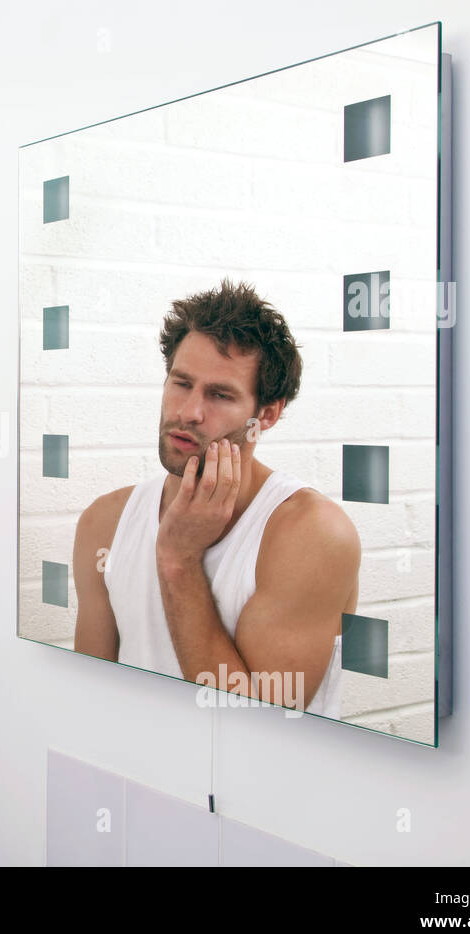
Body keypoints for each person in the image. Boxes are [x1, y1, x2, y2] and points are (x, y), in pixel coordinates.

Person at [72, 279, 360, 718]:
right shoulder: (104, 522)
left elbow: (257, 728)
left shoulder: (311, 534)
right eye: (181, 383)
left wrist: (178, 559)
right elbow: (93, 699)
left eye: (220, 395)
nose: (189, 411)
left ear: (265, 415)